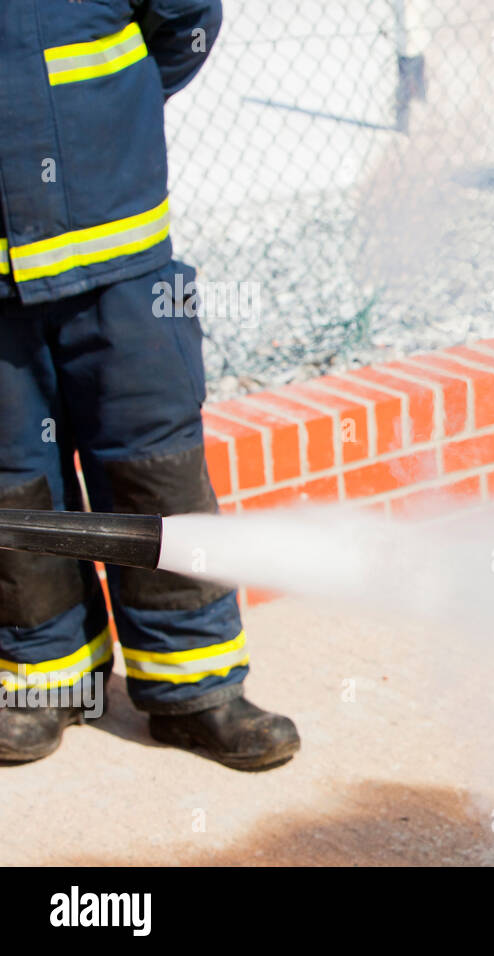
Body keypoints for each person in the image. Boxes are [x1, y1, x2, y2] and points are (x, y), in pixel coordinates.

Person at [0, 0, 299, 769]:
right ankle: (47, 680)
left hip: (120, 256)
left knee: (153, 467)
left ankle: (196, 690)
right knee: (13, 488)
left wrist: (109, 120)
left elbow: (185, 23)